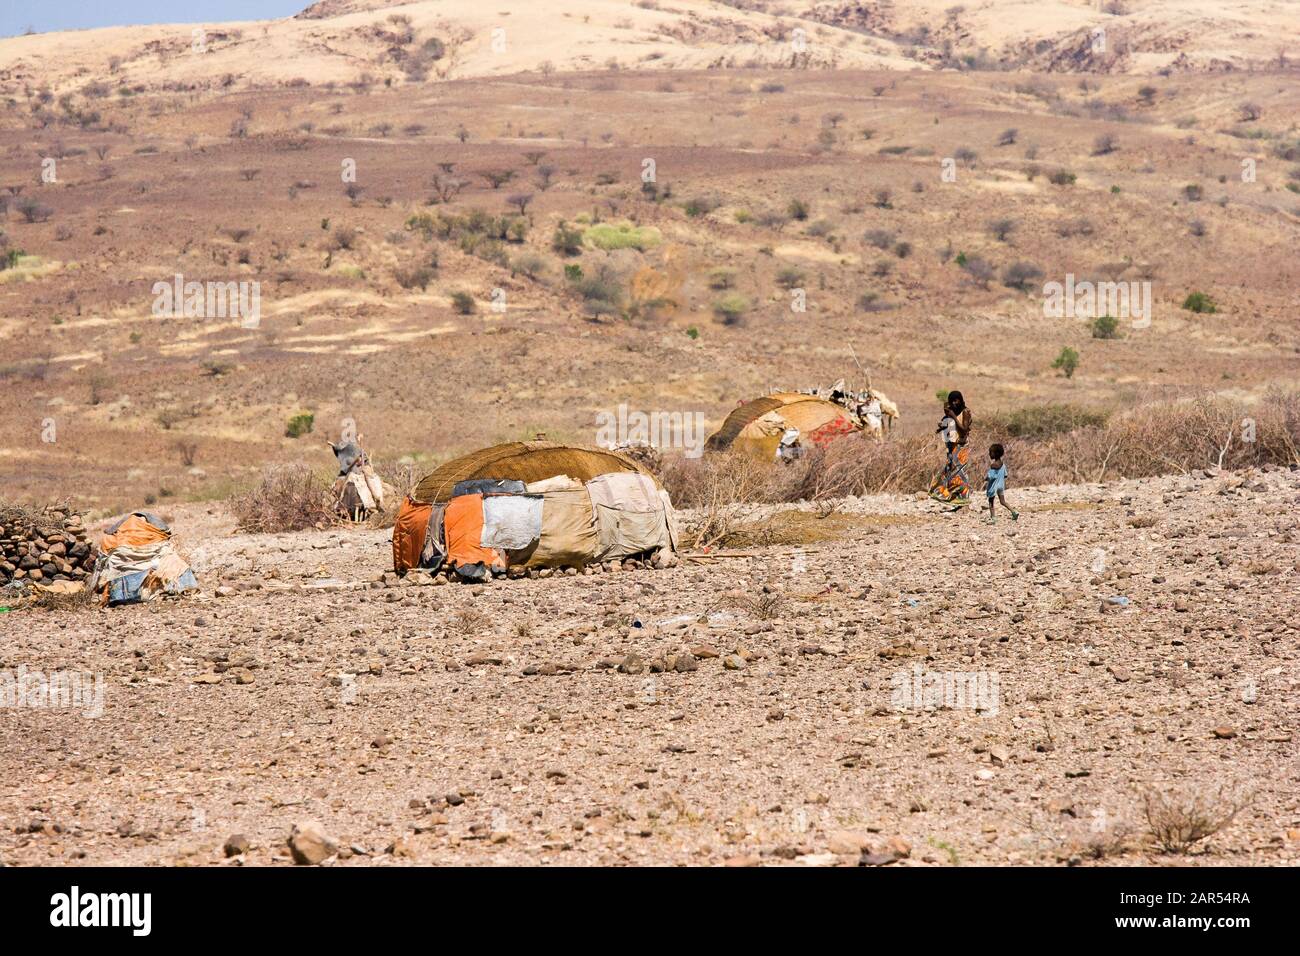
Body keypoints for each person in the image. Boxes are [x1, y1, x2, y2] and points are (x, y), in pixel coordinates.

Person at [928, 390, 973, 504]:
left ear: (960, 400)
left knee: (959, 472)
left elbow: (963, 430)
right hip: (952, 446)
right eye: (951, 401)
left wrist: (953, 416)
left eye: (955, 401)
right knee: (949, 471)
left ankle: (963, 497)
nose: (954, 403)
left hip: (961, 446)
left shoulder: (965, 412)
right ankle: (948, 495)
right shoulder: (953, 412)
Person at [983, 443, 1019, 523]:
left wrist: (985, 478)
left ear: (995, 454)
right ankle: (1014, 512)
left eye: (990, 452)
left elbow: (991, 477)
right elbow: (1005, 475)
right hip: (1001, 486)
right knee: (1003, 501)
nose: (989, 454)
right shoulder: (1003, 465)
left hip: (993, 486)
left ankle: (993, 518)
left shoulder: (993, 465)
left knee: (991, 502)